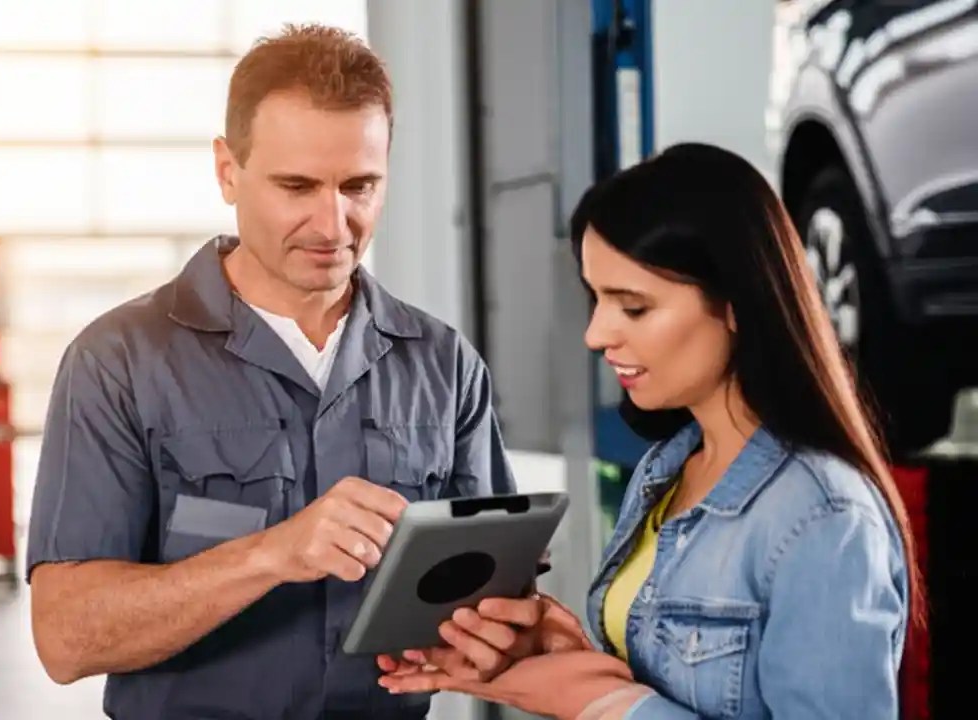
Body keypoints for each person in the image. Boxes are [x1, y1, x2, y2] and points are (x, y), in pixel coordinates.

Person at [24, 23, 517, 720]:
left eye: (359, 186)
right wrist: (272, 554)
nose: (333, 223)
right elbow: (65, 638)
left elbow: (485, 594)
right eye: (297, 186)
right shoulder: (118, 363)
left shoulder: (443, 364)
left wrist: (496, 634)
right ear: (228, 170)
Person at [377, 143, 922, 719]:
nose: (596, 333)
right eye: (597, 298)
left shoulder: (824, 516)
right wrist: (565, 656)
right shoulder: (667, 471)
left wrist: (606, 705)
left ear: (737, 304)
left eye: (632, 307)